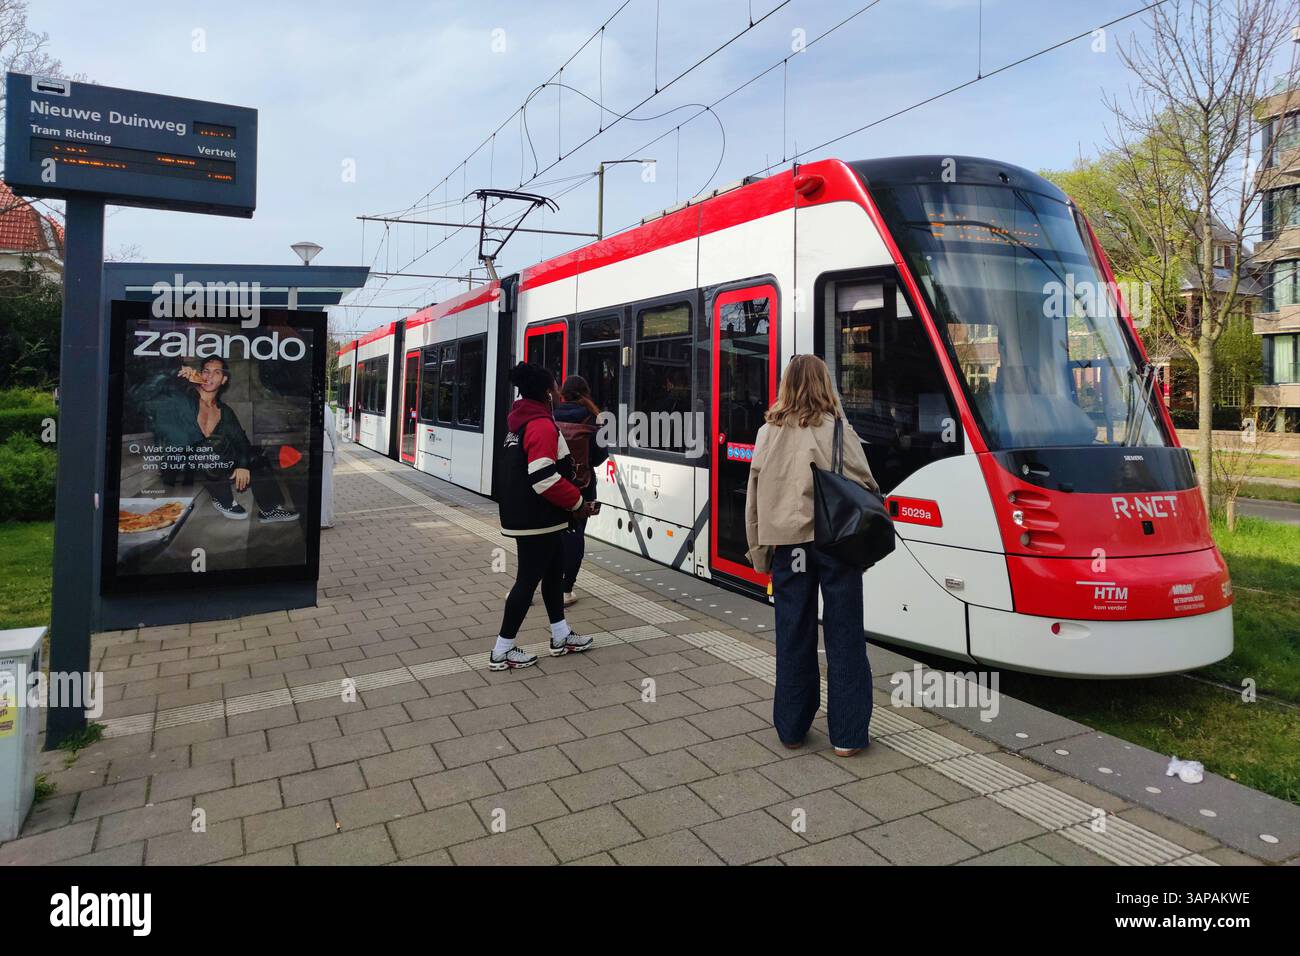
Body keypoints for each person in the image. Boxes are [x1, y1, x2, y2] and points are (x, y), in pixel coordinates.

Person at [744, 354, 880, 757]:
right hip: (835, 545)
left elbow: (755, 498)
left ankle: (791, 728)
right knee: (845, 638)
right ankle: (848, 736)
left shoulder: (767, 432)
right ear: (825, 384)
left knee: (793, 635)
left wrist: (760, 553)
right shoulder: (839, 429)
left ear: (786, 385)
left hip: (789, 548)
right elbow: (866, 487)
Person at [490, 362, 597, 671]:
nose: (557, 391)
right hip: (537, 517)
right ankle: (502, 649)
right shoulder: (539, 425)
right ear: (547, 393)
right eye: (554, 386)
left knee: (552, 574)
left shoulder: (519, 423)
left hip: (532, 515)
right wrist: (577, 502)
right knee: (526, 581)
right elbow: (544, 478)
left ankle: (560, 635)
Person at [131, 357, 298, 523]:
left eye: (216, 372)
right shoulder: (180, 398)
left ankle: (270, 510)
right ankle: (224, 501)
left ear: (223, 380)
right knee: (205, 449)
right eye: (206, 371)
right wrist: (172, 373)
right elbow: (139, 397)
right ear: (199, 374)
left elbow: (241, 442)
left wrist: (243, 465)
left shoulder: (224, 411)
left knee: (255, 454)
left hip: (215, 463)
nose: (209, 376)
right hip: (182, 462)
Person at [553, 375, 607, 606]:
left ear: (563, 393)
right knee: (576, 534)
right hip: (582, 486)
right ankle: (566, 589)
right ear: (586, 393)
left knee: (551, 534)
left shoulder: (550, 414)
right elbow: (599, 457)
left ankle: (542, 581)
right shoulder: (594, 418)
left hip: (553, 484)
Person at [321, 401, 337, 529]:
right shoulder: (326, 410)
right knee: (326, 485)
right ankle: (325, 520)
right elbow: (332, 433)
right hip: (325, 448)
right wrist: (335, 457)